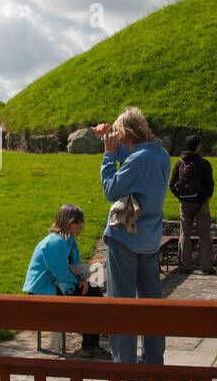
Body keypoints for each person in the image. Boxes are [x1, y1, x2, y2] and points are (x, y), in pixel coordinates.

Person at [94, 107, 171, 364]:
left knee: (122, 302)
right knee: (151, 306)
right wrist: (108, 140)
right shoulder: (160, 154)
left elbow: (111, 189)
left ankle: (124, 362)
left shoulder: (140, 161)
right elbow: (135, 161)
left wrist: (108, 155)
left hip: (125, 237)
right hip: (149, 240)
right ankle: (153, 360)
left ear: (127, 133)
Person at [22, 204, 105, 355]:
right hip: (43, 292)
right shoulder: (55, 242)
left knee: (92, 291)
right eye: (77, 221)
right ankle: (91, 342)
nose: (81, 224)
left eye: (82, 220)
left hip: (57, 285)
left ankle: (94, 336)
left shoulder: (69, 240)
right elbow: (60, 273)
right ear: (67, 221)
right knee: (92, 298)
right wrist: (79, 281)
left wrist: (82, 279)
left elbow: (76, 263)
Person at [169, 134, 216, 275]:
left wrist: (181, 197)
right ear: (198, 146)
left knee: (185, 234)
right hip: (201, 203)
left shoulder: (179, 163)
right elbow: (210, 184)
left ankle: (185, 265)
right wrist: (206, 199)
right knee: (204, 235)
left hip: (184, 203)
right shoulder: (203, 163)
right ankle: (206, 267)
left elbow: (172, 184)